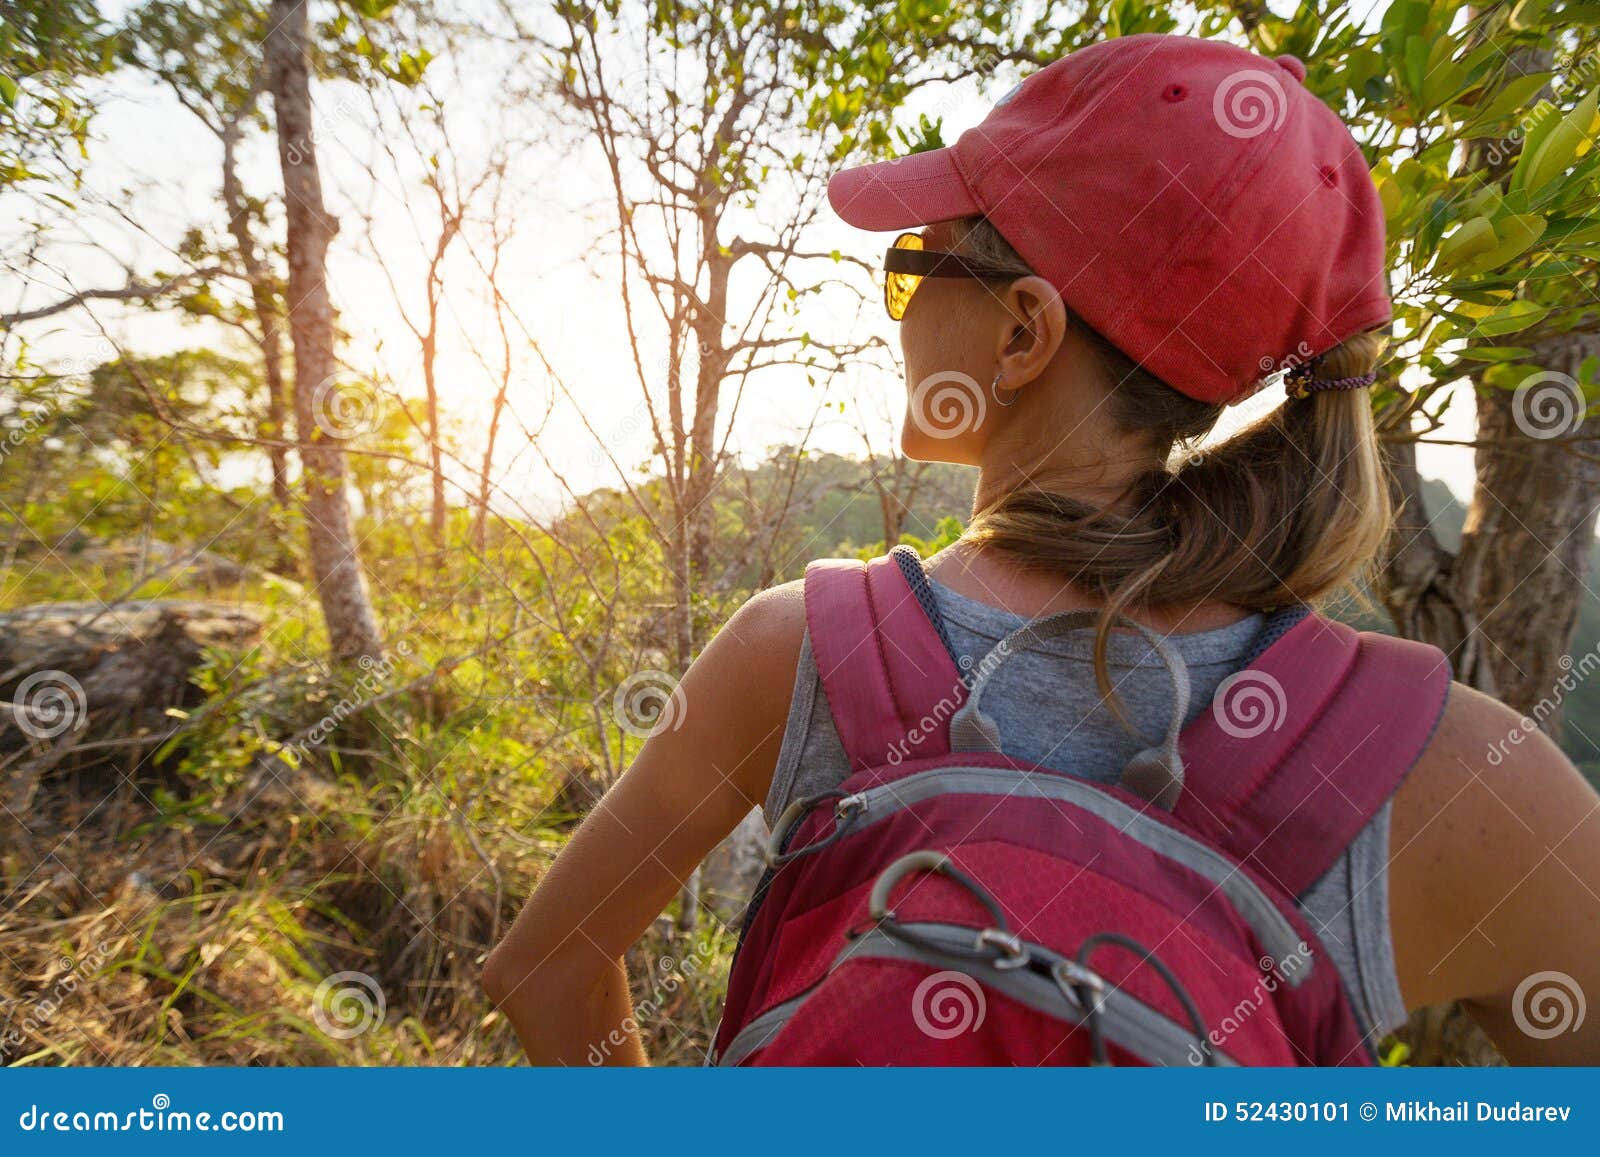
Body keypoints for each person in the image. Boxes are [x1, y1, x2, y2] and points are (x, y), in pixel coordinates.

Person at [483, 33, 1600, 1065]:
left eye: (914, 264)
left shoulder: (800, 652)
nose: (900, 309)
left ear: (1021, 330)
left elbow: (543, 969)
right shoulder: (1461, 776)